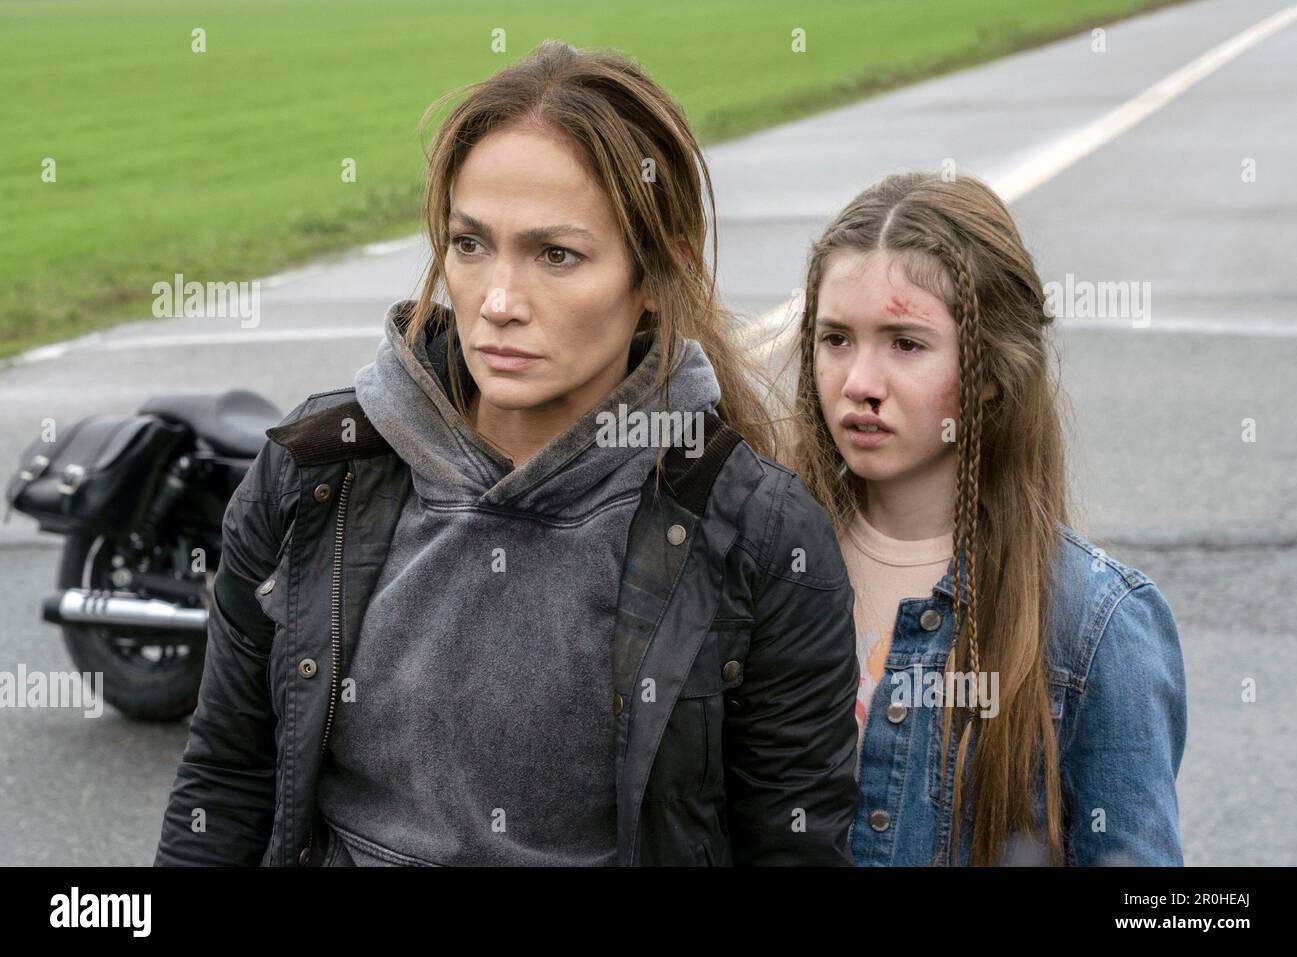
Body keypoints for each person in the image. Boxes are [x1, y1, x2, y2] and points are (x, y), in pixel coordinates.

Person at [154, 40, 860, 867]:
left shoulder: (762, 536)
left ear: (655, 276)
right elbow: (226, 786)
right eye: (470, 244)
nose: (497, 301)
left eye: (556, 254)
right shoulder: (314, 471)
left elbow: (793, 850)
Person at [782, 171, 1187, 865]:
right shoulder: (761, 566)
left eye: (905, 343)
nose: (859, 383)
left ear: (992, 368)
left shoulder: (1094, 623)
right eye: (837, 339)